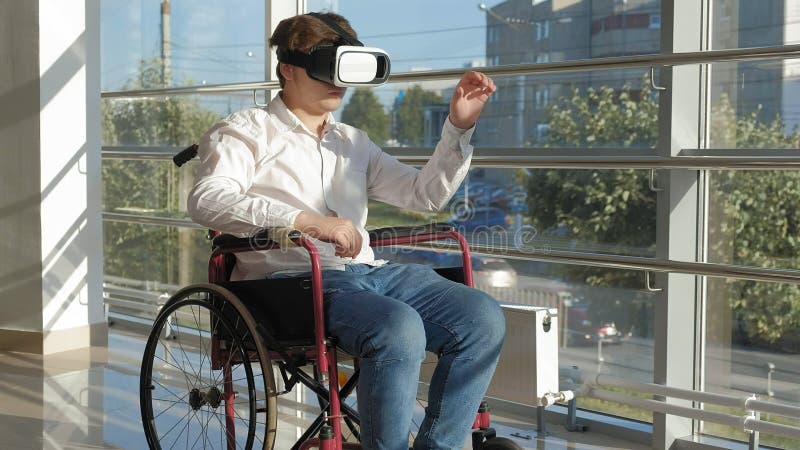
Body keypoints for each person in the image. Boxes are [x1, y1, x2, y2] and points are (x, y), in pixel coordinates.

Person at [187, 12, 505, 450]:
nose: (339, 83)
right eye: (326, 68)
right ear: (288, 69)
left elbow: (425, 195)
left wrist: (458, 128)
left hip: (368, 273)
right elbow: (207, 199)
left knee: (481, 318)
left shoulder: (353, 141)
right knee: (398, 328)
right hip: (291, 283)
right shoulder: (244, 132)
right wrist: (303, 220)